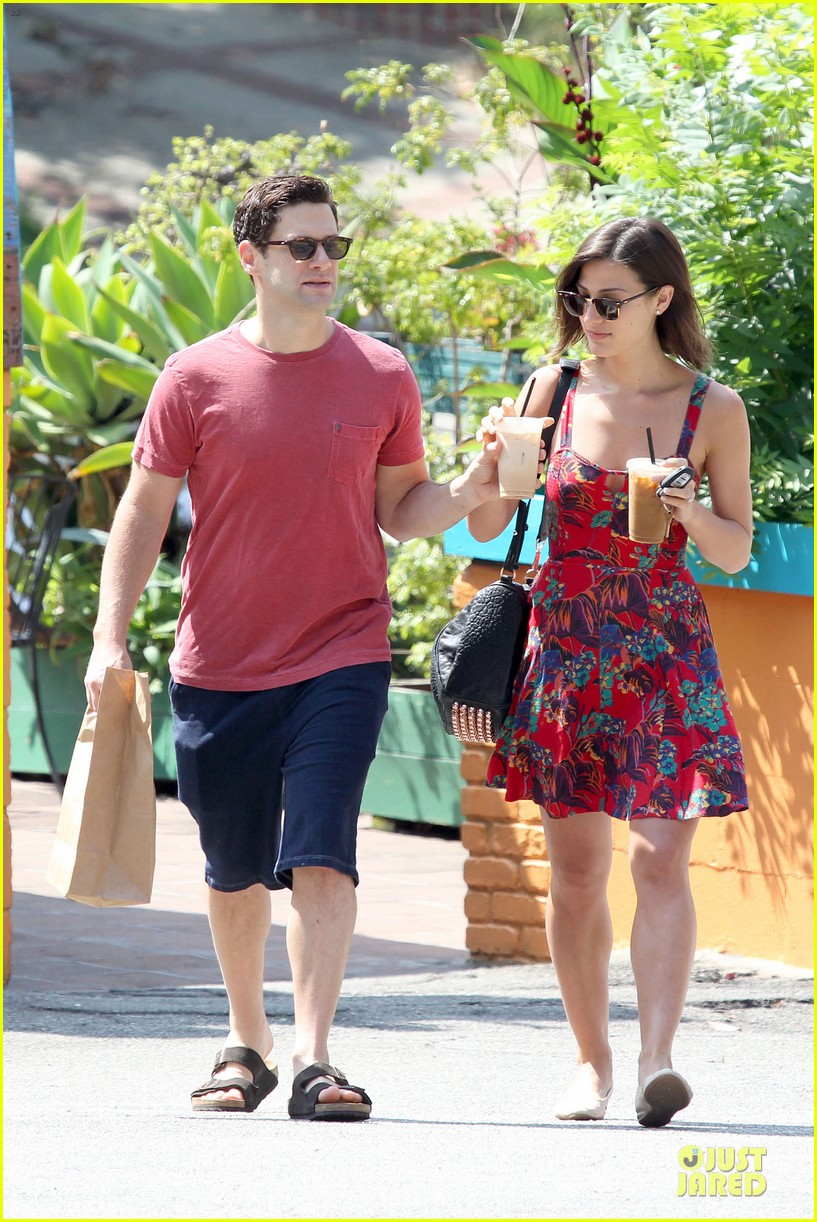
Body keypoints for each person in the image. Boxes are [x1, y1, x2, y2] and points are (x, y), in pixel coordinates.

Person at [84, 173, 523, 1121]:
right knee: (234, 868)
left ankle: (319, 1058)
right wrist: (107, 636)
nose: (324, 263)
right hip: (220, 661)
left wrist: (475, 481)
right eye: (303, 247)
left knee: (322, 852)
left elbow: (404, 513)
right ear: (252, 256)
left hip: (344, 649)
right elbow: (142, 508)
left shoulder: (379, 373)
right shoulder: (193, 377)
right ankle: (248, 1043)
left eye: (334, 246)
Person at [469, 216, 752, 1128]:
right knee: (580, 872)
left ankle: (654, 1061)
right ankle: (589, 1063)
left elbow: (737, 547)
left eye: (607, 301)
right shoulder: (548, 389)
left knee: (660, 856)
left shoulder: (713, 408)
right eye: (577, 299)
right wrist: (490, 470)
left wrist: (687, 510)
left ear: (660, 300)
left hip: (664, 649)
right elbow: (486, 529)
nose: (587, 315)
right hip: (566, 646)